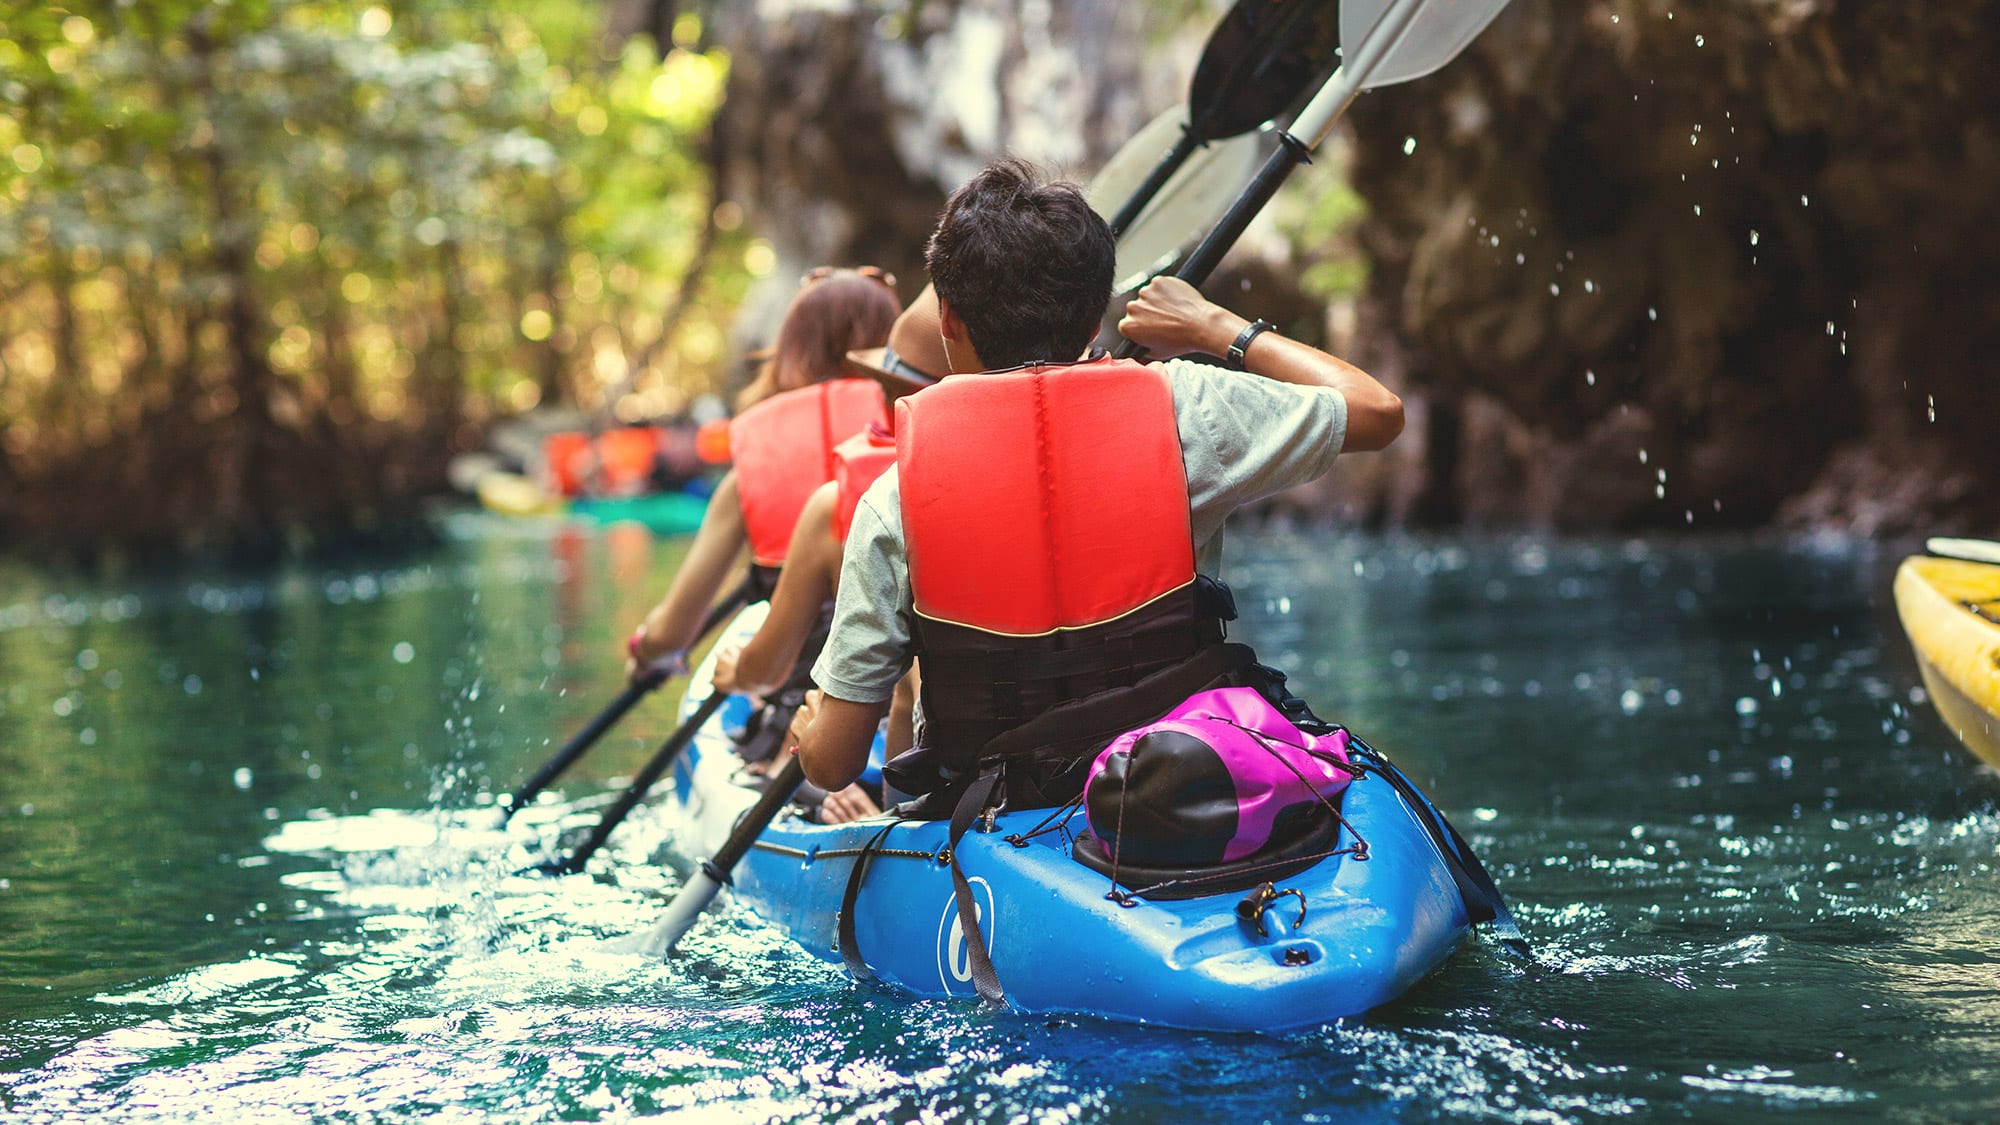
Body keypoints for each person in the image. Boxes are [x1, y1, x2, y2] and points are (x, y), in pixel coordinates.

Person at [790, 158, 1404, 812]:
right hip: (1178, 788)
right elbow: (1376, 410)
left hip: (998, 811)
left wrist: (806, 733)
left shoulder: (894, 499)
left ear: (948, 321)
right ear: (1091, 324)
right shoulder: (1187, 409)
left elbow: (833, 761)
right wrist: (1215, 327)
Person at [709, 291, 950, 823]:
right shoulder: (1021, 484)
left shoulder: (842, 504)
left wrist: (736, 678)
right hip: (970, 774)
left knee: (801, 751)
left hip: (863, 755)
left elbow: (770, 677)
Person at [624, 267, 899, 680]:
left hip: (793, 692)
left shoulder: (751, 471)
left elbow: (671, 634)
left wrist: (645, 652)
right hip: (904, 693)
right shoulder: (922, 436)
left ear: (791, 348)